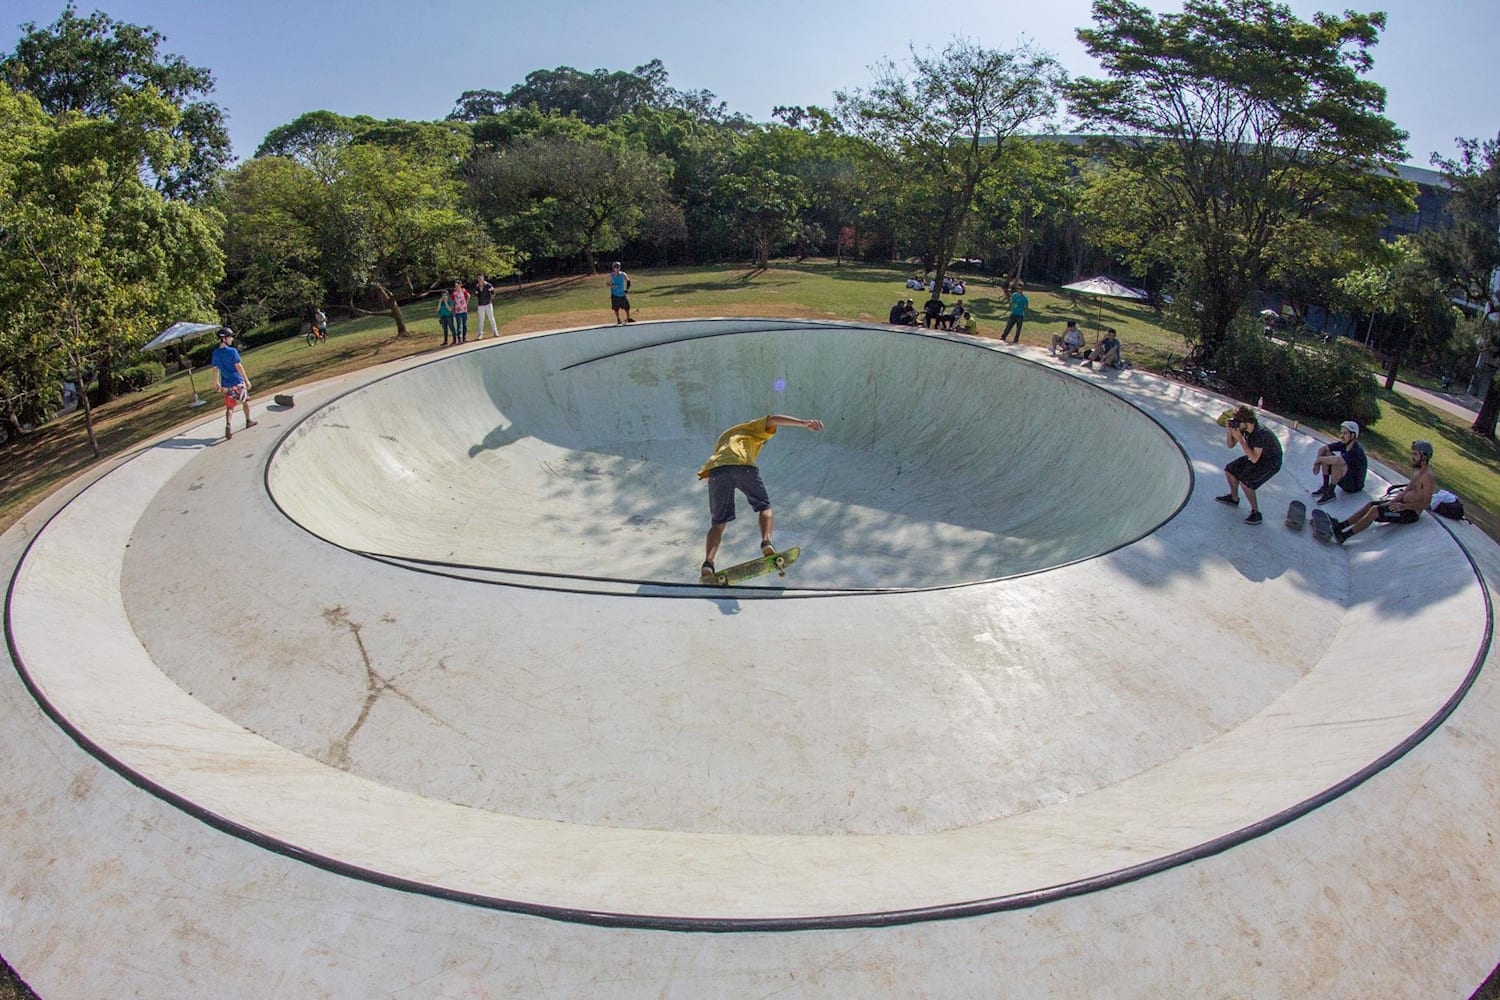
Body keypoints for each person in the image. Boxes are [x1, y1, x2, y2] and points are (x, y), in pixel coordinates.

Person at [698, 414, 824, 581]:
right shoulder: (751, 427)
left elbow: (720, 464)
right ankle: (766, 542)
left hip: (716, 472)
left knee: (718, 523)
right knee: (764, 507)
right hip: (742, 466)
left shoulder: (724, 438)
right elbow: (773, 418)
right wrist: (804, 423)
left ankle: (708, 563)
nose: (762, 442)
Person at [1330, 441, 1436, 544]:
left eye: (1415, 454)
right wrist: (1390, 502)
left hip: (1410, 513)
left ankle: (1344, 536)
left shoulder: (1427, 477)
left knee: (1375, 510)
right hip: (1402, 505)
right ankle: (1341, 525)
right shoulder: (1418, 472)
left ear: (1424, 457)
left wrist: (1403, 507)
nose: (1412, 457)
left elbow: (1426, 504)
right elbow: (1405, 492)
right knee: (1371, 505)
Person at [1215, 405, 1282, 525]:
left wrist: (1240, 439)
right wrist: (1230, 431)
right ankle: (1234, 498)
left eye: (1236, 421)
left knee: (1247, 483)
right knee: (1230, 469)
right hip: (1256, 456)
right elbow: (1230, 445)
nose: (1235, 423)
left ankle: (1256, 512)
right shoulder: (1244, 428)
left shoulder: (1260, 434)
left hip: (1270, 462)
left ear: (1244, 421)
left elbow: (1255, 459)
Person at [210, 327, 257, 441]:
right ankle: (248, 420)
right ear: (224, 339)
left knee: (230, 407)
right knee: (245, 401)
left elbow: (215, 369)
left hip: (226, 385)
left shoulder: (216, 353)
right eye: (230, 337)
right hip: (238, 382)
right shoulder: (232, 351)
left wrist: (216, 382)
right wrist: (246, 379)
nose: (231, 339)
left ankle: (228, 424)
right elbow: (238, 366)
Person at [1310, 421, 1367, 505]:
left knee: (1337, 462)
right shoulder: (1344, 444)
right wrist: (1318, 461)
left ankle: (1330, 492)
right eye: (1341, 433)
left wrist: (1319, 460)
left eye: (1345, 433)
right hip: (1346, 476)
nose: (1341, 436)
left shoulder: (1356, 451)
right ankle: (1325, 487)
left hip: (1354, 485)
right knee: (1327, 454)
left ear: (1353, 435)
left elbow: (1338, 460)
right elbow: (1323, 449)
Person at [473, 274, 499, 339]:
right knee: (481, 320)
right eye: (478, 279)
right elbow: (477, 295)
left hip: (488, 304)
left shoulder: (488, 285)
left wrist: (490, 298)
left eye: (481, 279)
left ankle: (495, 332)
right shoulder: (477, 286)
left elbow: (493, 293)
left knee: (491, 318)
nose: (480, 281)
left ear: (483, 279)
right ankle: (480, 334)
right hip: (481, 305)